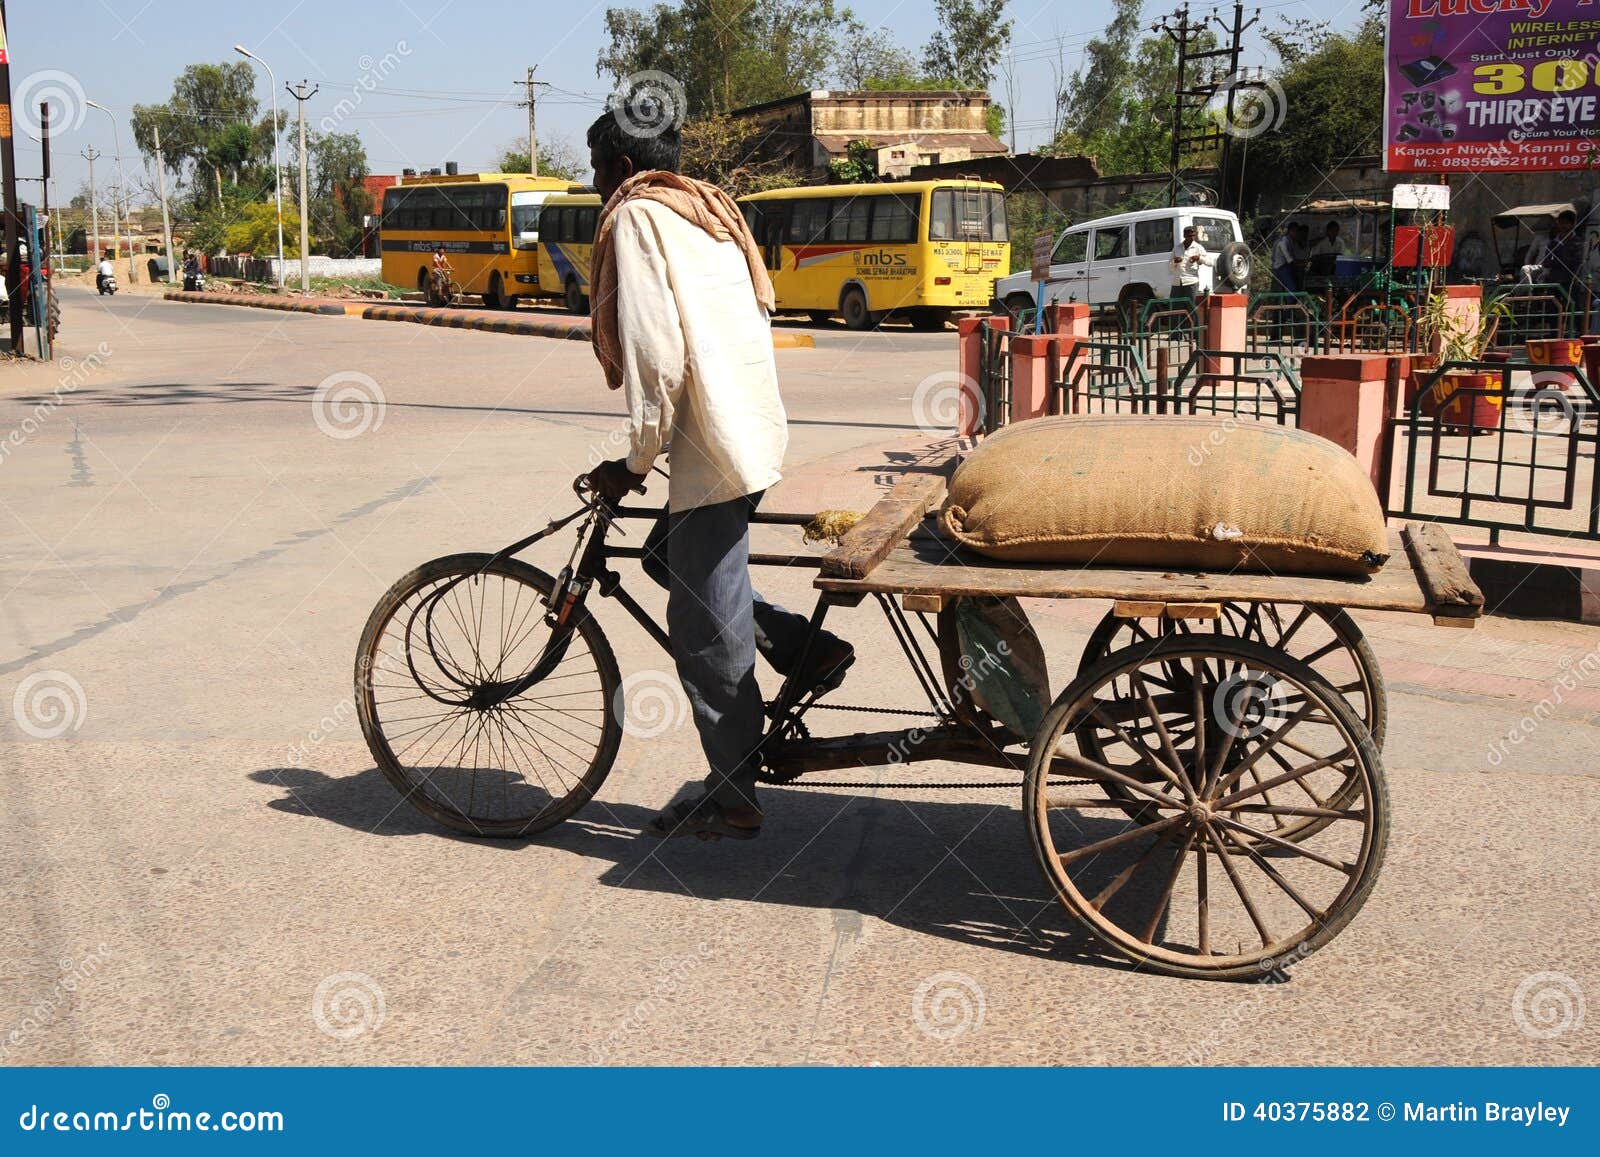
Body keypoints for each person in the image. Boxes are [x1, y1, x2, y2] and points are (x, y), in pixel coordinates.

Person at [580, 104, 853, 843]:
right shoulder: (704, 208)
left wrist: (632, 462)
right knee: (667, 557)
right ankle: (804, 647)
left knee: (702, 627)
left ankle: (735, 792)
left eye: (600, 168)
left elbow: (657, 354)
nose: (597, 183)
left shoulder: (638, 216)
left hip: (718, 444)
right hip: (749, 427)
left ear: (625, 169)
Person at [1168, 224, 1214, 300]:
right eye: (1189, 236)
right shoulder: (1177, 248)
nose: (1192, 238)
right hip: (1177, 282)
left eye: (1193, 235)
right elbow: (1170, 266)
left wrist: (1199, 258)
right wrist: (1175, 261)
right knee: (1175, 305)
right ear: (1184, 236)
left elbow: (1210, 262)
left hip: (1191, 281)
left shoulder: (1198, 247)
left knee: (1190, 306)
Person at [1270, 222, 1303, 294]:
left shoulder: (1290, 241)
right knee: (1292, 288)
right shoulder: (1283, 242)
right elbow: (1289, 259)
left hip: (1286, 267)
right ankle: (1289, 305)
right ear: (1291, 231)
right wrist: (1300, 264)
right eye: (1296, 232)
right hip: (1280, 268)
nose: (1297, 234)